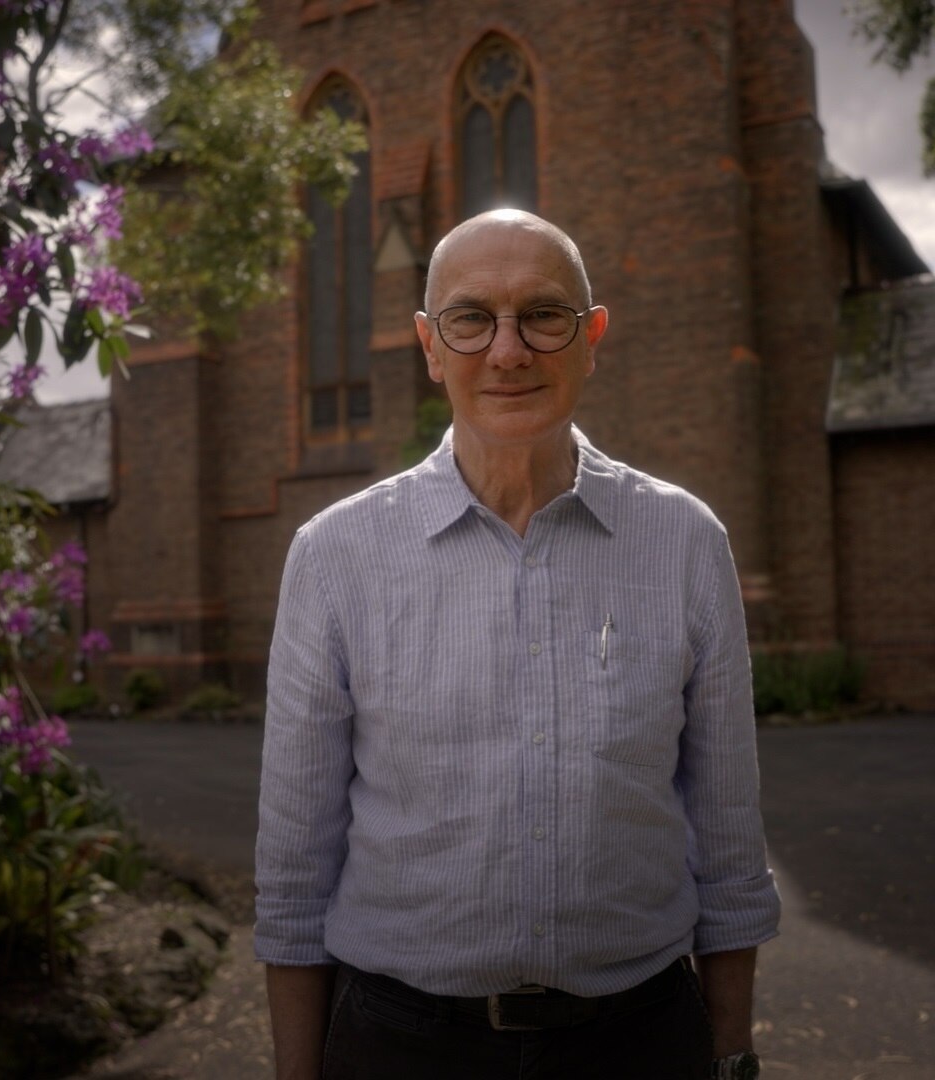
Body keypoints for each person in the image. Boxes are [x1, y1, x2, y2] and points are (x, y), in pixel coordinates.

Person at [254, 209, 779, 1080]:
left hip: (638, 1043)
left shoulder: (686, 542)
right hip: (398, 1046)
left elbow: (727, 839)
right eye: (471, 319)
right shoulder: (334, 557)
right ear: (429, 345)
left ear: (591, 336)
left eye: (543, 314)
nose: (508, 351)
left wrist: (730, 1058)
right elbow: (295, 867)